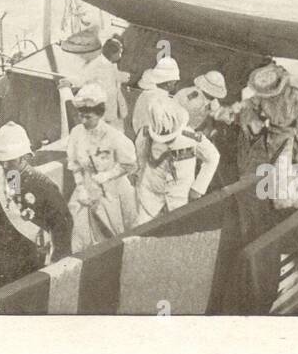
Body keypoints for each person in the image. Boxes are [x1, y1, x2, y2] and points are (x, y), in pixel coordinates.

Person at [0, 122, 73, 290]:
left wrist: (57, 261)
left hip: (33, 259)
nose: (4, 166)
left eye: (9, 161)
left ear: (24, 156)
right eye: (0, 161)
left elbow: (63, 223)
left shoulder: (42, 185)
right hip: (3, 257)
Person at [234, 63, 298, 207]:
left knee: (292, 174)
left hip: (295, 142)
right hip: (273, 140)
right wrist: (246, 114)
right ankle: (283, 206)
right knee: (277, 175)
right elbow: (249, 107)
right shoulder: (263, 97)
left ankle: (293, 206)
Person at [65, 83, 137, 249]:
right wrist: (81, 186)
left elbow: (130, 164)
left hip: (113, 190)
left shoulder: (114, 137)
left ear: (100, 114)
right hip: (87, 187)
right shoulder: (76, 133)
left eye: (88, 117)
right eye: (80, 116)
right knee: (79, 232)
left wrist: (107, 175)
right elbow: (75, 164)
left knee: (112, 233)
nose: (83, 120)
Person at [133, 97, 221, 226]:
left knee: (177, 232)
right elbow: (140, 160)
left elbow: (213, 157)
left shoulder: (190, 137)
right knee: (140, 231)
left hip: (180, 198)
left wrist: (197, 188)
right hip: (150, 196)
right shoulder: (145, 135)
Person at [128, 55, 181, 138]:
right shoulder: (160, 100)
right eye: (175, 83)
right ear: (169, 83)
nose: (175, 85)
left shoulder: (147, 93)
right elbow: (165, 129)